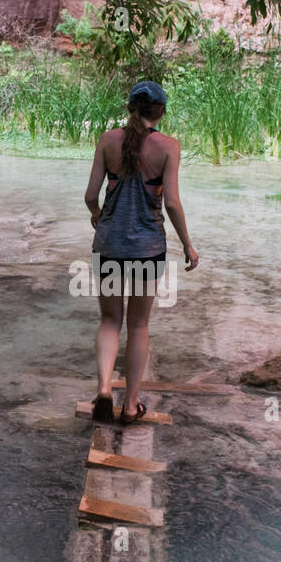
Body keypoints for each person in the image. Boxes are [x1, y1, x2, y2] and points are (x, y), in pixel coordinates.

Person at [84, 81, 198, 424]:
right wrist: (188, 245)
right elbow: (173, 204)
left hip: (108, 246)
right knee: (138, 325)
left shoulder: (107, 140)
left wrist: (99, 218)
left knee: (109, 320)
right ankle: (131, 406)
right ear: (160, 111)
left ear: (130, 107)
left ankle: (104, 390)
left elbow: (91, 195)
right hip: (147, 249)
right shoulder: (168, 147)